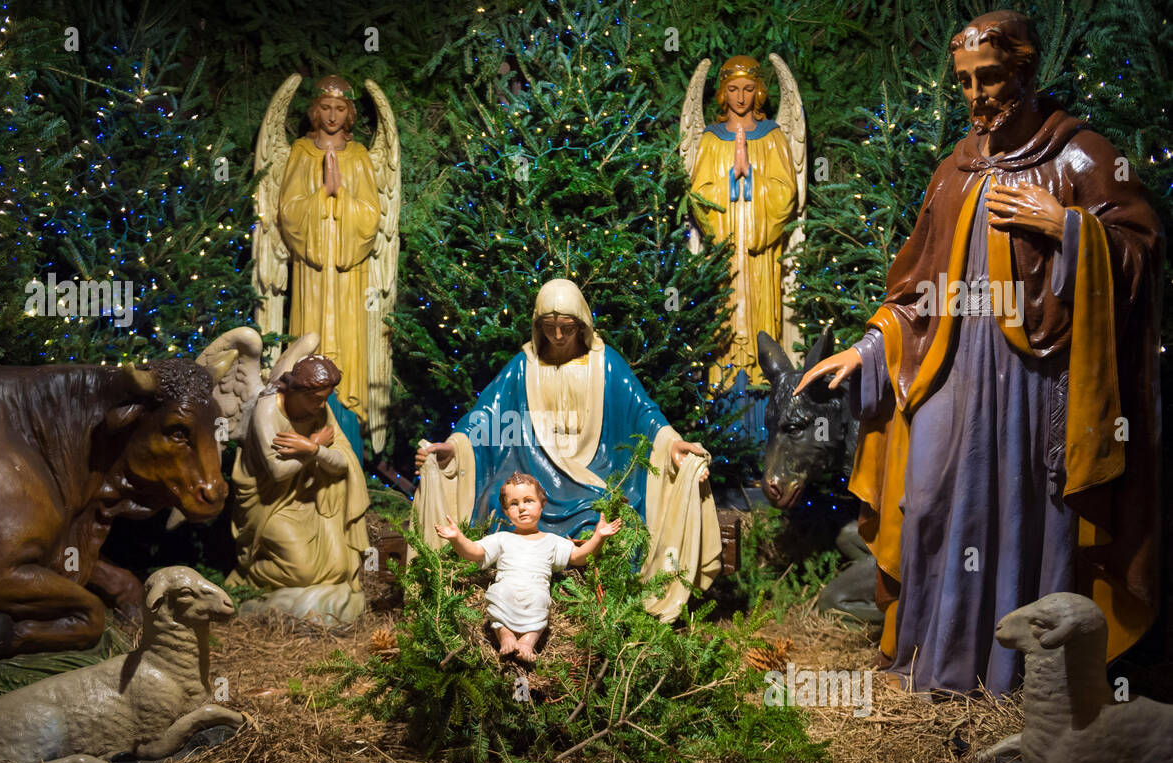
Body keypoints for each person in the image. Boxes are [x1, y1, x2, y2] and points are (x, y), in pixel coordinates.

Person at [799, 11, 1163, 696]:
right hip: (953, 377)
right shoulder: (955, 171)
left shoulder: (1080, 156)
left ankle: (1024, 681)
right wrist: (870, 346)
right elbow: (917, 292)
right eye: (964, 82)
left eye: (989, 78)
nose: (976, 95)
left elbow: (1143, 253)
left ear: (1023, 73)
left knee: (1031, 522)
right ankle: (936, 667)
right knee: (930, 499)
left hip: (1039, 388)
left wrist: (1071, 229)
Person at [413, 278, 722, 623]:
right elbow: (486, 415)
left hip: (595, 473)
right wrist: (453, 447)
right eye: (549, 327)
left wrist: (672, 443)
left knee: (600, 517)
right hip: (529, 469)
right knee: (498, 511)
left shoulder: (605, 364)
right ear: (538, 326)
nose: (558, 336)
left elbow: (644, 414)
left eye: (567, 328)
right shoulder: (523, 366)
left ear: (583, 326)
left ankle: (595, 612)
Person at [225, 354, 370, 625]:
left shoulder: (320, 410)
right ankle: (248, 579)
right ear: (296, 391)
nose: (323, 405)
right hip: (268, 503)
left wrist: (312, 449)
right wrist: (313, 445)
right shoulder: (268, 410)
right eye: (316, 399)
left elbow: (342, 464)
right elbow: (277, 471)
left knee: (338, 567)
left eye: (326, 398)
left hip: (311, 496)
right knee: (302, 572)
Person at [689, 55, 798, 387]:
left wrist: (750, 175)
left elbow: (786, 194)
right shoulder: (710, 139)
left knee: (760, 318)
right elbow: (699, 195)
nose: (740, 97)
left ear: (759, 92)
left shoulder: (773, 136)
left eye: (748, 89)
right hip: (725, 249)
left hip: (760, 253)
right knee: (723, 323)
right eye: (733, 89)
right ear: (723, 92)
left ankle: (763, 383)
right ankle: (721, 388)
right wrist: (728, 180)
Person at [434, 472, 623, 663]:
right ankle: (505, 636)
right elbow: (474, 551)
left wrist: (599, 537)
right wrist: (457, 538)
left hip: (536, 590)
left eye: (528, 501)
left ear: (542, 505)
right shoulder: (502, 538)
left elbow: (579, 557)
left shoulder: (551, 541)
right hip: (507, 587)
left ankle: (527, 643)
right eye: (514, 504)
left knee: (541, 601)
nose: (522, 508)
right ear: (506, 511)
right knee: (497, 594)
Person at [278, 75, 380, 426]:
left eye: (340, 108)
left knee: (347, 348)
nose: (332, 116)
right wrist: (323, 193)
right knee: (311, 336)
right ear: (315, 111)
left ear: (349, 113)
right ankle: (303, 412)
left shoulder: (359, 156)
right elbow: (289, 213)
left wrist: (343, 196)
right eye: (325, 108)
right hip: (312, 269)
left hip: (349, 272)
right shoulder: (301, 152)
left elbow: (370, 218)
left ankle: (345, 418)